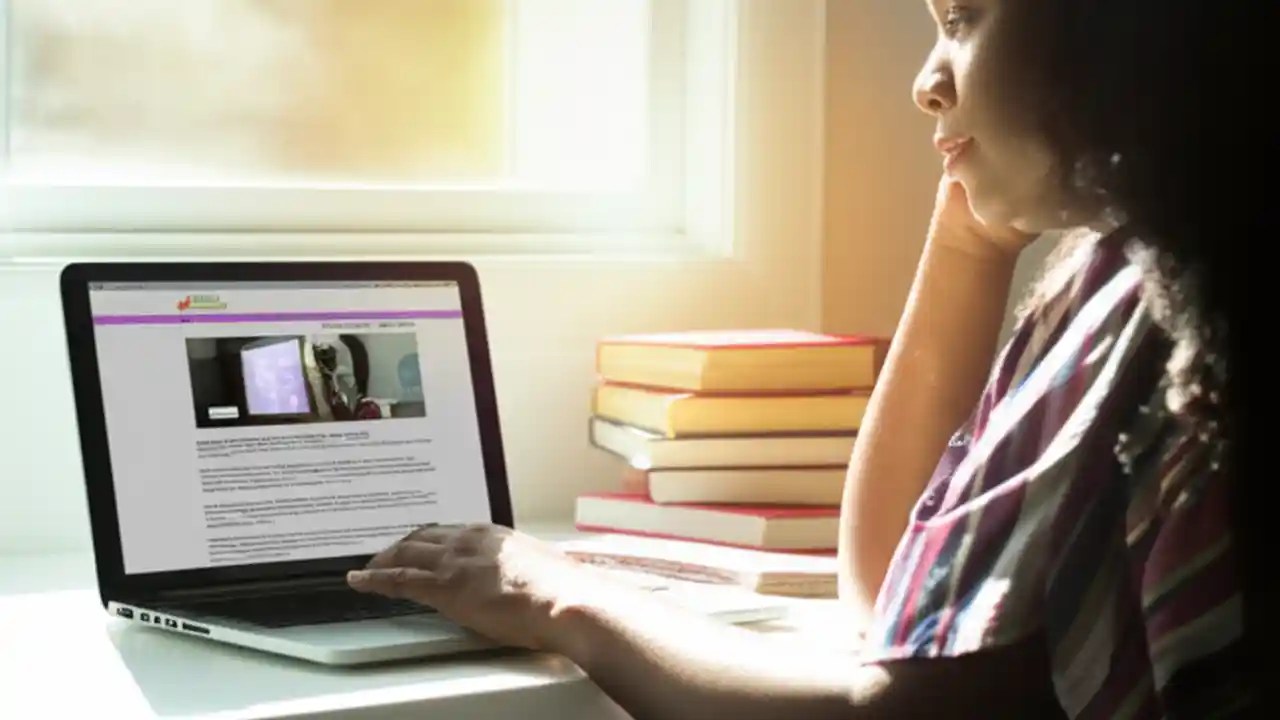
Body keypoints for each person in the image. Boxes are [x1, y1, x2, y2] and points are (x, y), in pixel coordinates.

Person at [347, 0, 1259, 717]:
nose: (926, 84)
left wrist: (557, 595)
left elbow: (899, 713)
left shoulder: (1156, 303)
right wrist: (968, 249)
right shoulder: (1126, 261)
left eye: (961, 19)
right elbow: (898, 610)